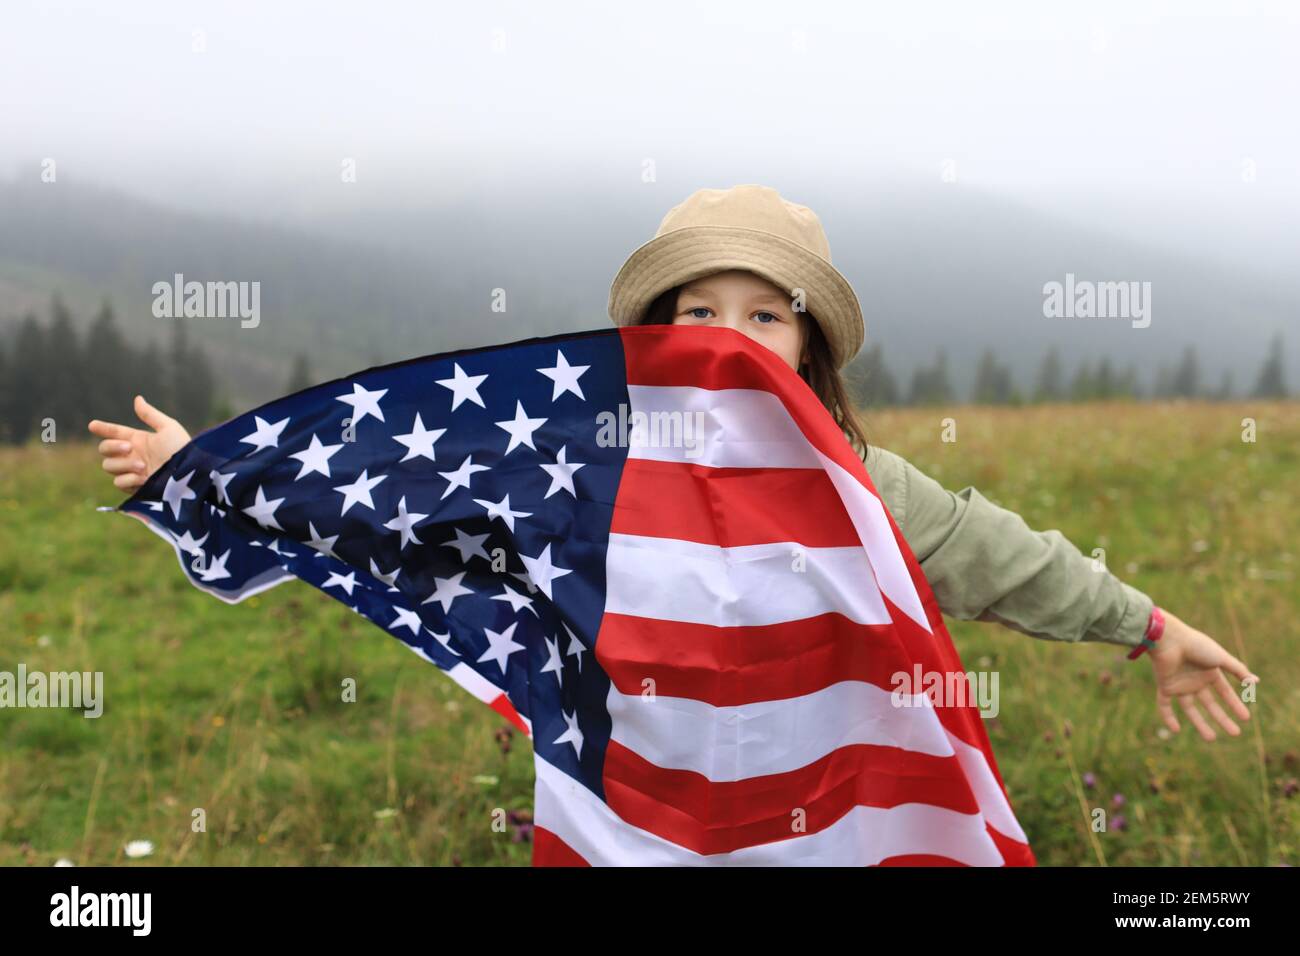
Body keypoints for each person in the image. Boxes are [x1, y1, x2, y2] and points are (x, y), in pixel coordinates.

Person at [90, 183, 1258, 744]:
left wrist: (1149, 626)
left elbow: (1001, 556)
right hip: (641, 801)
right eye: (699, 307)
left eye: (765, 313)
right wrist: (210, 468)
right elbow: (405, 494)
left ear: (809, 343)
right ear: (655, 330)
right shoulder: (584, 465)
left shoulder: (860, 487)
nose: (727, 334)